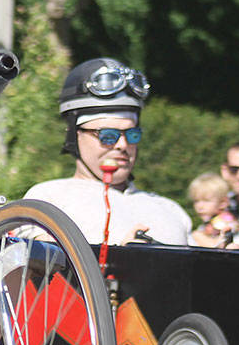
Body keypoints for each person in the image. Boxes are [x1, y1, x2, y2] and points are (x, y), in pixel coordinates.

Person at [23, 57, 189, 245]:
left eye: (132, 135)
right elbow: (30, 267)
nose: (122, 145)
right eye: (108, 136)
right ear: (74, 136)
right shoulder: (48, 199)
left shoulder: (171, 209)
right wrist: (125, 258)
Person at [187, 172, 238, 248]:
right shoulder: (208, 223)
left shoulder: (224, 220)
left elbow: (230, 231)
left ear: (222, 203)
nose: (200, 206)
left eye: (206, 201)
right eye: (196, 201)